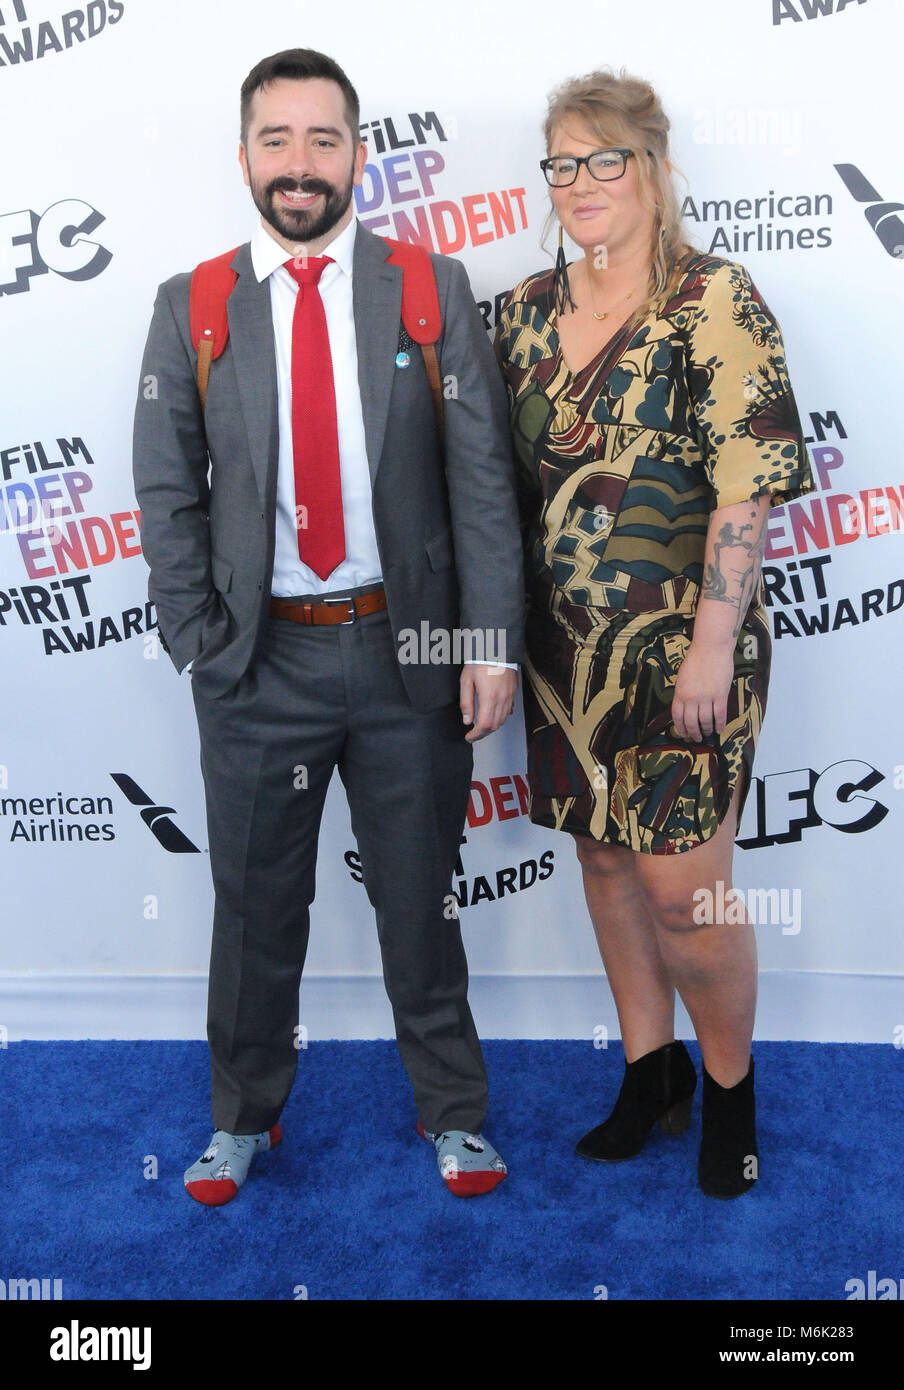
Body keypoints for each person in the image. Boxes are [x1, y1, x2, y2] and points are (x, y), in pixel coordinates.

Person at [132, 48, 523, 1205]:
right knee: (256, 905)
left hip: (412, 652)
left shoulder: (425, 286)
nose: (299, 165)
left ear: (357, 153)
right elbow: (166, 488)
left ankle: (453, 1115)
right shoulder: (193, 304)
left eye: (322, 140)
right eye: (276, 139)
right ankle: (242, 1121)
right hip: (260, 660)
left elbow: (481, 481)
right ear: (245, 153)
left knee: (419, 894)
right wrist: (199, 638)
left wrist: (488, 642)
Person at [495, 68, 812, 1198]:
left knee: (689, 890)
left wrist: (714, 647)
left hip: (687, 649)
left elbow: (746, 488)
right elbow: (492, 486)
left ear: (654, 170)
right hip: (560, 655)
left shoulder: (713, 298)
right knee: (602, 855)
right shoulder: (523, 310)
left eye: (604, 160)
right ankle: (649, 1070)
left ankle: (730, 1087)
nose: (581, 183)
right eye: (562, 163)